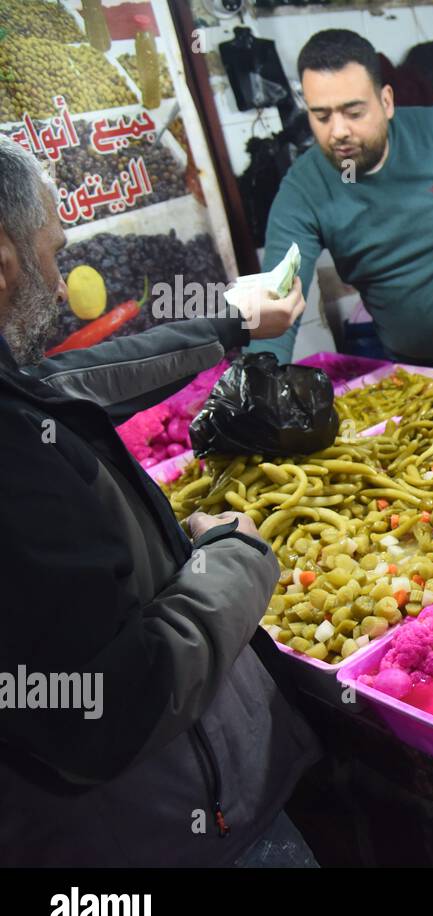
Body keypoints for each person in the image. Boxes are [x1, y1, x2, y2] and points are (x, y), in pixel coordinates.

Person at [0, 136, 323, 866]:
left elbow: (70, 384)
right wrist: (230, 559)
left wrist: (227, 324)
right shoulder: (16, 461)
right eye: (52, 251)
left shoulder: (16, 398)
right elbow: (104, 709)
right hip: (159, 841)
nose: (60, 287)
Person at [250, 29, 433, 379]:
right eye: (322, 116)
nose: (338, 132)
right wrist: (258, 383)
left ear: (386, 101)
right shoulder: (304, 190)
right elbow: (277, 296)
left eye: (353, 112)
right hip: (413, 376)